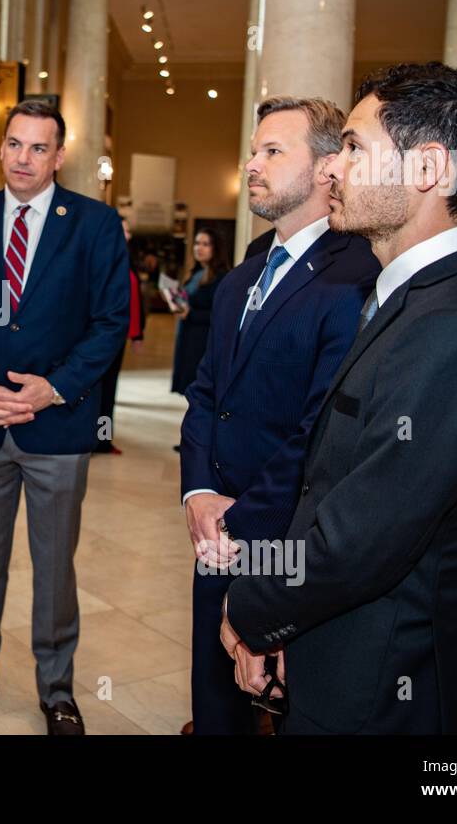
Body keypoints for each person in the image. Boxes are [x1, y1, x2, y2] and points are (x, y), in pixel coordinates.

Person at [222, 62, 457, 734]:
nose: (331, 170)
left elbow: (358, 541)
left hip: (384, 692)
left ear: (428, 169)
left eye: (355, 148)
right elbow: (335, 486)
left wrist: (253, 609)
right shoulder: (412, 298)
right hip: (341, 654)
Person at [179, 96, 379, 734]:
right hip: (215, 528)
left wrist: (239, 518)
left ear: (327, 169)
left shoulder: (356, 278)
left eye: (272, 151)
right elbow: (206, 392)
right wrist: (199, 491)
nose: (252, 164)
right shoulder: (244, 275)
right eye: (253, 149)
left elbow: (321, 430)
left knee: (283, 701)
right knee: (214, 697)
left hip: (289, 538)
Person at [0, 99, 129, 735]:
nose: (23, 158)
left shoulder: (95, 226)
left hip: (58, 429)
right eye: (14, 144)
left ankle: (57, 688)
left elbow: (109, 325)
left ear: (59, 156)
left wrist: (54, 389)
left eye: (38, 148)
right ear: (2, 146)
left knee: (53, 569)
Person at [94, 217, 145, 455]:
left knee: (108, 392)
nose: (127, 235)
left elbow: (136, 300)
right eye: (122, 230)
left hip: (117, 336)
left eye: (128, 230)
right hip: (100, 336)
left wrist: (138, 333)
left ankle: (103, 439)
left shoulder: (124, 258)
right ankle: (96, 439)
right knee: (97, 392)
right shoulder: (101, 258)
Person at [169, 228, 230, 397]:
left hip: (202, 342)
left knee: (197, 393)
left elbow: (221, 316)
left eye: (205, 244)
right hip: (188, 337)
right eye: (196, 243)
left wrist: (191, 314)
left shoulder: (221, 278)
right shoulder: (196, 273)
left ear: (215, 249)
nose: (199, 248)